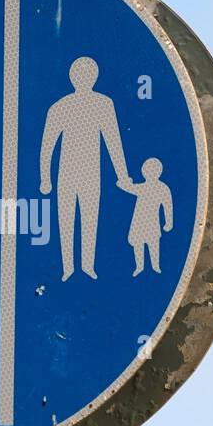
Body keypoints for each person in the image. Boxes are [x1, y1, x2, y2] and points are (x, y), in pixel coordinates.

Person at [39, 57, 129, 280]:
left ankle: (88, 265)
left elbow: (113, 142)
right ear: (72, 77)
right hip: (66, 173)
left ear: (94, 77)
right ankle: (68, 267)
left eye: (88, 74)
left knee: (90, 218)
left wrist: (122, 175)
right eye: (79, 74)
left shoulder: (103, 104)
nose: (83, 78)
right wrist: (45, 178)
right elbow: (47, 145)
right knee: (66, 219)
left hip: (90, 173)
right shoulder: (60, 107)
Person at [118, 157, 173, 275]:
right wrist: (122, 184)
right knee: (138, 243)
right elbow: (131, 188)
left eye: (151, 170)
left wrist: (169, 222)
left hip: (152, 221)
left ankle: (156, 266)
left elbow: (168, 207)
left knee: (153, 243)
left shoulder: (162, 188)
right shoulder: (143, 187)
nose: (147, 172)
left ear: (158, 171)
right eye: (146, 170)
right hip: (139, 221)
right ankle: (139, 267)